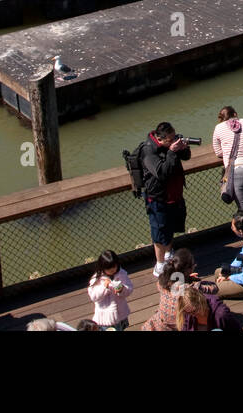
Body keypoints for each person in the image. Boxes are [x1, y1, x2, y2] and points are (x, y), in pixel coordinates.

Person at [137, 121, 191, 275]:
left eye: (174, 137)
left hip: (174, 196)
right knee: (159, 231)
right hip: (158, 198)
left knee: (170, 227)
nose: (173, 140)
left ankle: (168, 253)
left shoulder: (169, 146)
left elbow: (186, 157)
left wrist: (183, 148)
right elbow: (161, 172)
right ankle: (159, 264)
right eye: (170, 139)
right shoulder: (148, 151)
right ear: (160, 139)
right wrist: (172, 152)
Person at [142, 248, 218, 332]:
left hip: (159, 324)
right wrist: (195, 280)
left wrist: (187, 278)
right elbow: (214, 288)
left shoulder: (163, 281)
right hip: (178, 325)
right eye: (194, 265)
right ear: (189, 269)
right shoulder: (190, 289)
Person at [87, 249, 133, 331]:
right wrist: (104, 287)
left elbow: (129, 289)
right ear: (102, 267)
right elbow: (93, 296)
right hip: (105, 317)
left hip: (120, 313)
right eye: (108, 269)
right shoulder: (97, 279)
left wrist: (122, 289)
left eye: (114, 267)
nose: (112, 270)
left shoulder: (122, 274)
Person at [175, 284, 241, 331]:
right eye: (187, 312)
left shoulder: (220, 314)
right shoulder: (187, 311)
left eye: (194, 311)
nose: (192, 314)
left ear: (201, 303)